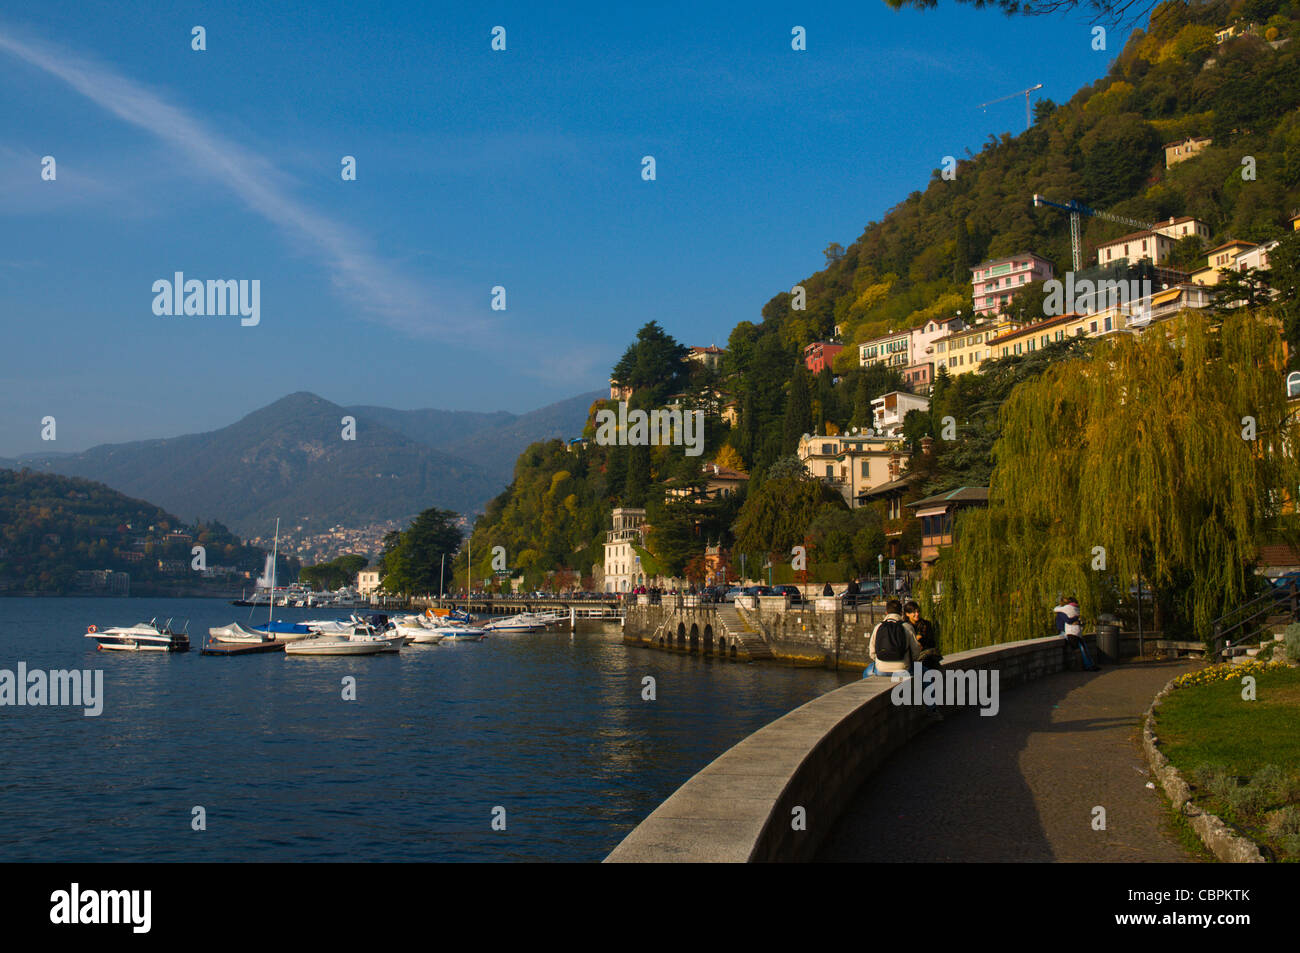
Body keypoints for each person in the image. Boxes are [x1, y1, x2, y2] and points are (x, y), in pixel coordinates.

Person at [865, 599, 922, 678]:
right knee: (925, 670)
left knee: (867, 671)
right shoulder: (907, 627)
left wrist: (881, 662)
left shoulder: (878, 627)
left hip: (881, 671)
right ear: (901, 613)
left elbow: (872, 653)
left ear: (886, 613)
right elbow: (915, 652)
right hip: (903, 669)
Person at [1054, 596, 1099, 671]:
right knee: (1083, 649)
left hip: (1070, 631)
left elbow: (1067, 620)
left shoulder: (1065, 609)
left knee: (1077, 650)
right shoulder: (1077, 608)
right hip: (1078, 631)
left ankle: (1081, 666)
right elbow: (1076, 618)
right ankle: (1089, 665)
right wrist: (1076, 618)